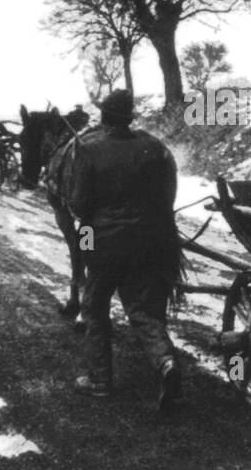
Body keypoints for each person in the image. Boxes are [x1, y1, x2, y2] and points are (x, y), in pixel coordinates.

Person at [68, 89, 182, 407]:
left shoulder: (88, 149)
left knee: (94, 307)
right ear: (130, 118)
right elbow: (169, 196)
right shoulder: (155, 146)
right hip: (152, 241)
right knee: (143, 311)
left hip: (104, 243)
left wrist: (86, 242)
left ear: (103, 117)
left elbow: (79, 205)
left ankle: (100, 380)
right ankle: (166, 362)